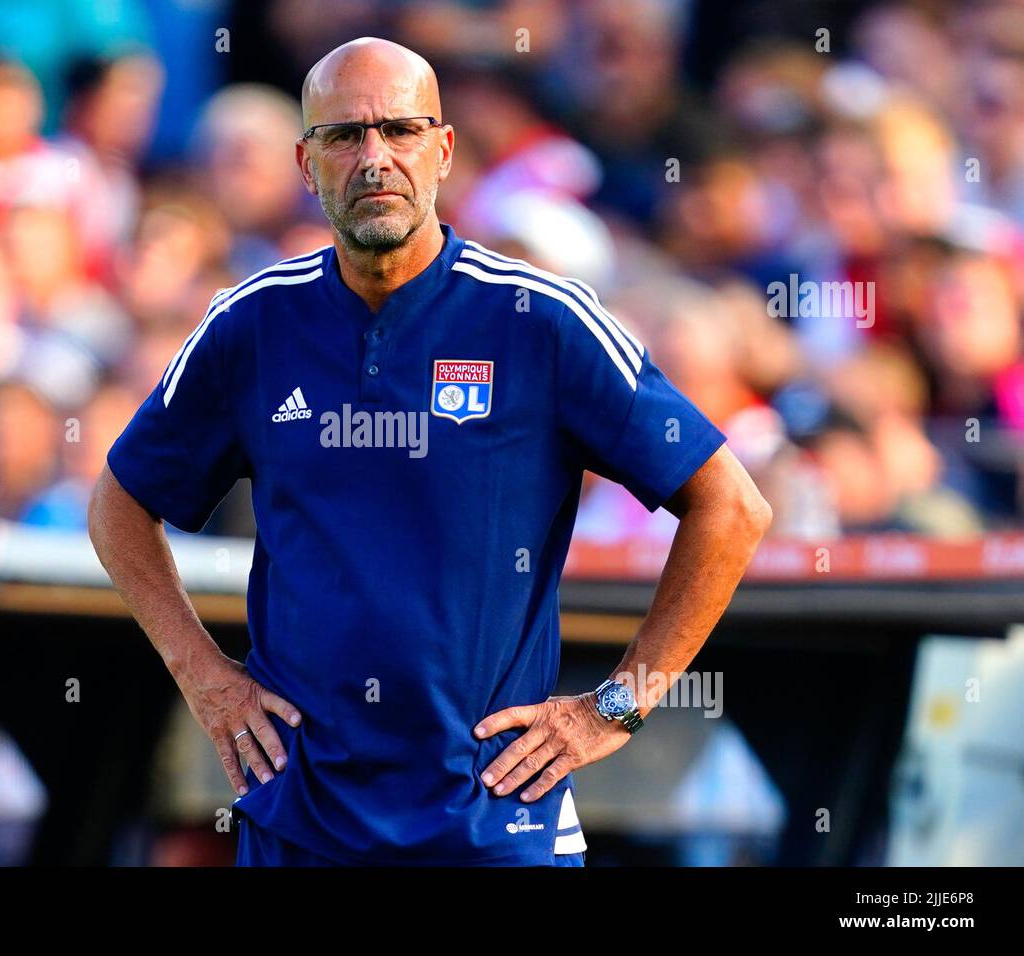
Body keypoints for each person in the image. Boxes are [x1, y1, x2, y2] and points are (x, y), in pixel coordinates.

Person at [89, 37, 771, 866]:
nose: (374, 158)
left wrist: (616, 707)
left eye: (400, 130)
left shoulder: (540, 320)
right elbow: (119, 503)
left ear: (443, 150)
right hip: (302, 819)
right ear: (306, 166)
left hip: (493, 820)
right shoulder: (252, 325)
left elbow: (731, 506)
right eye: (344, 137)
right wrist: (202, 673)